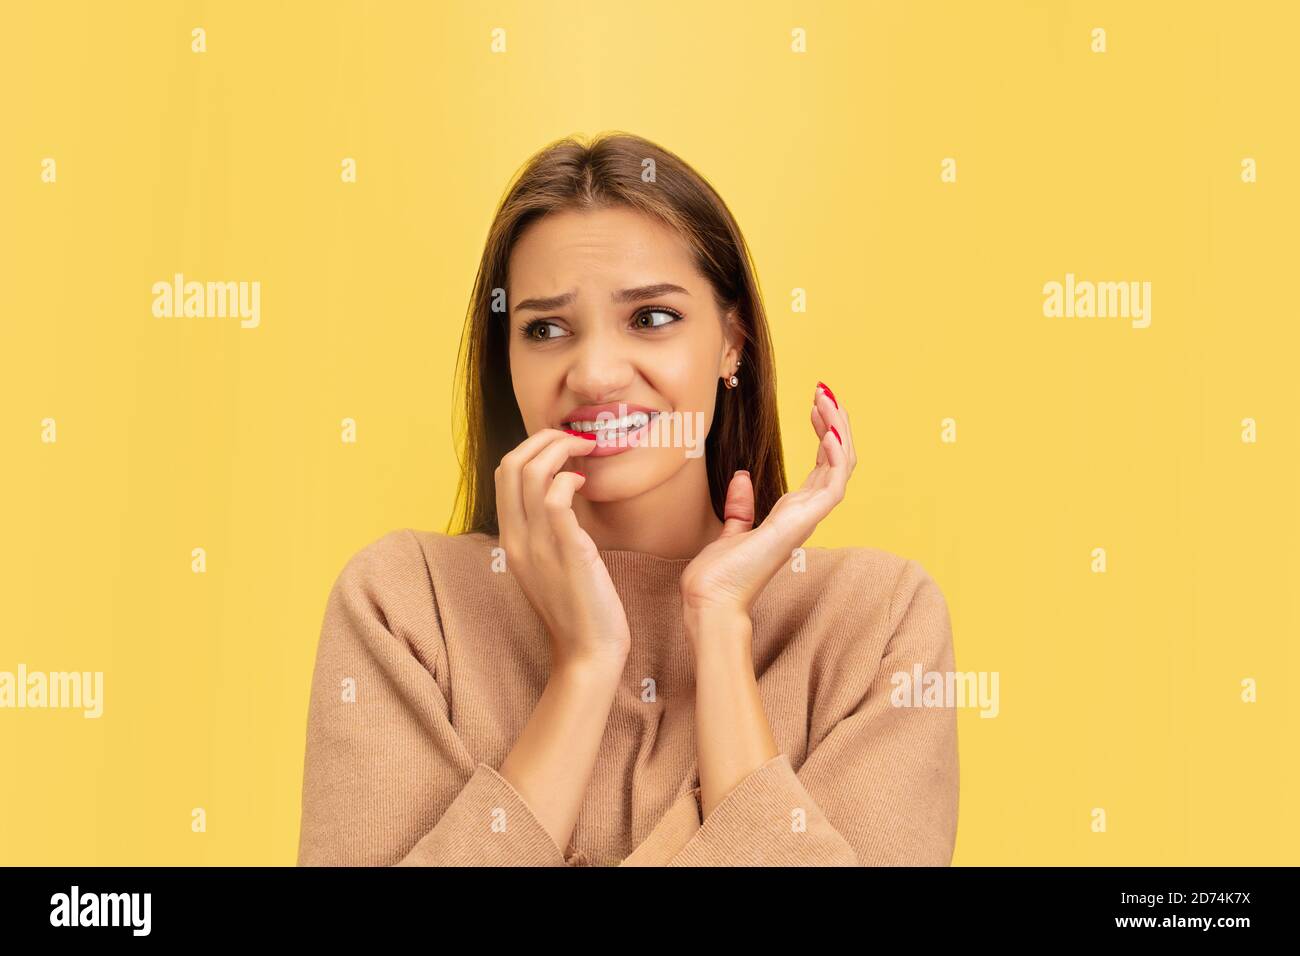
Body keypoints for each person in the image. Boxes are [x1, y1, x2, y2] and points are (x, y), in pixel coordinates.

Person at [296, 132, 958, 866]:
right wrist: (584, 665)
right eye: (546, 329)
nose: (596, 374)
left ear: (732, 341)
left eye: (650, 318)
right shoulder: (403, 606)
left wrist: (719, 626)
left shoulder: (878, 624)